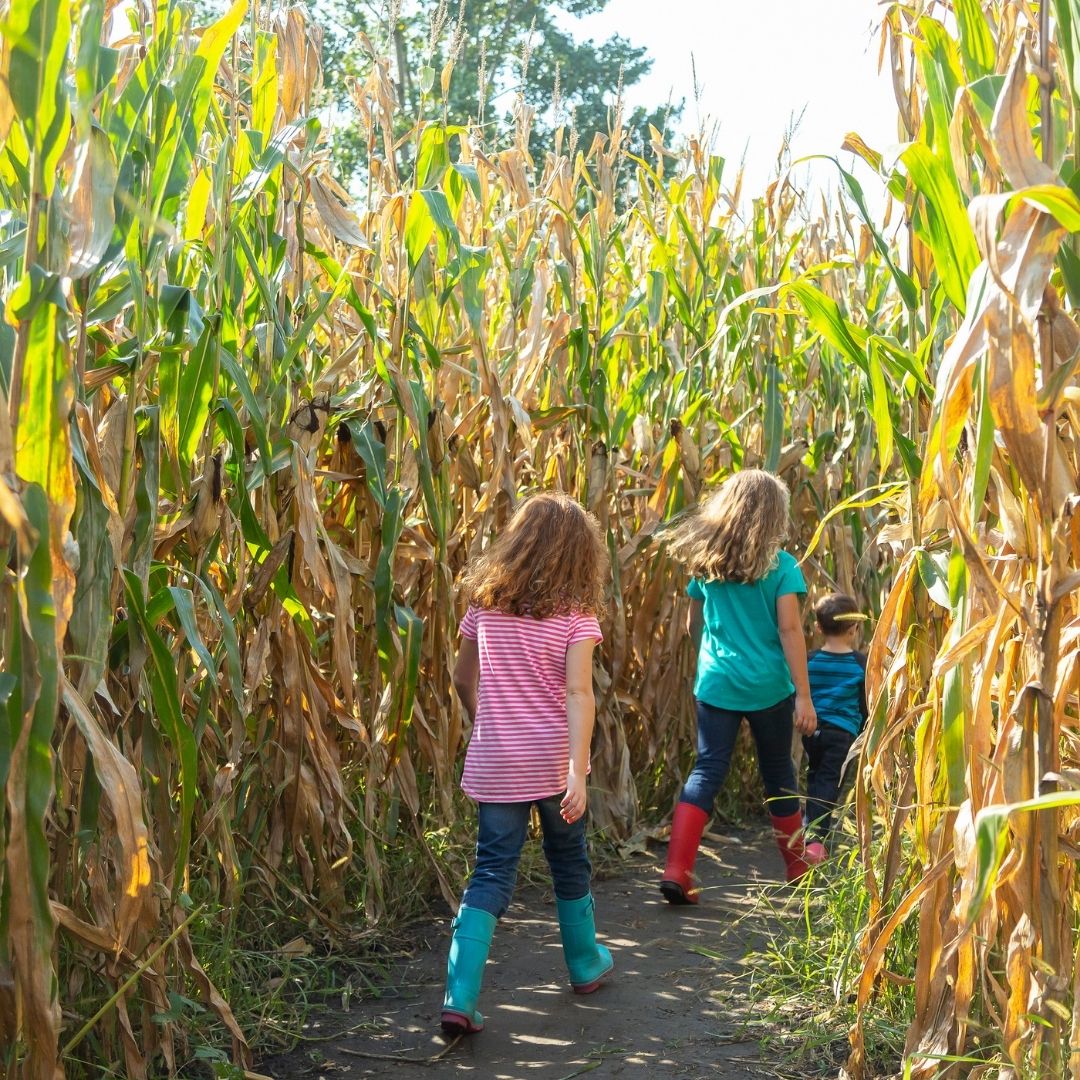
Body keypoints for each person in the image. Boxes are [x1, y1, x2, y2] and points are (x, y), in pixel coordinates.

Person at [440, 492, 613, 1036]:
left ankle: (459, 997)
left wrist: (487, 724)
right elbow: (579, 693)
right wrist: (576, 771)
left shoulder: (484, 606)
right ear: (580, 553)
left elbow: (461, 678)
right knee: (569, 859)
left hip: (497, 760)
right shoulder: (576, 616)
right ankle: (585, 965)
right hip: (553, 761)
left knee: (491, 870)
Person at [660, 469, 819, 903]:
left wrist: (710, 660)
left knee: (707, 768)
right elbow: (790, 630)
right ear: (775, 515)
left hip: (717, 683)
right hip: (768, 686)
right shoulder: (782, 567)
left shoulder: (706, 563)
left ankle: (677, 870)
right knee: (778, 771)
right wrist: (804, 696)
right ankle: (797, 866)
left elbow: (693, 623)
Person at [802, 593, 868, 862]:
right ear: (853, 628)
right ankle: (815, 841)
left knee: (815, 777)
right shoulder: (859, 664)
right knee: (830, 782)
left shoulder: (809, 660)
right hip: (842, 734)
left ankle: (812, 833)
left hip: (812, 731)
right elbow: (865, 703)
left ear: (818, 627)